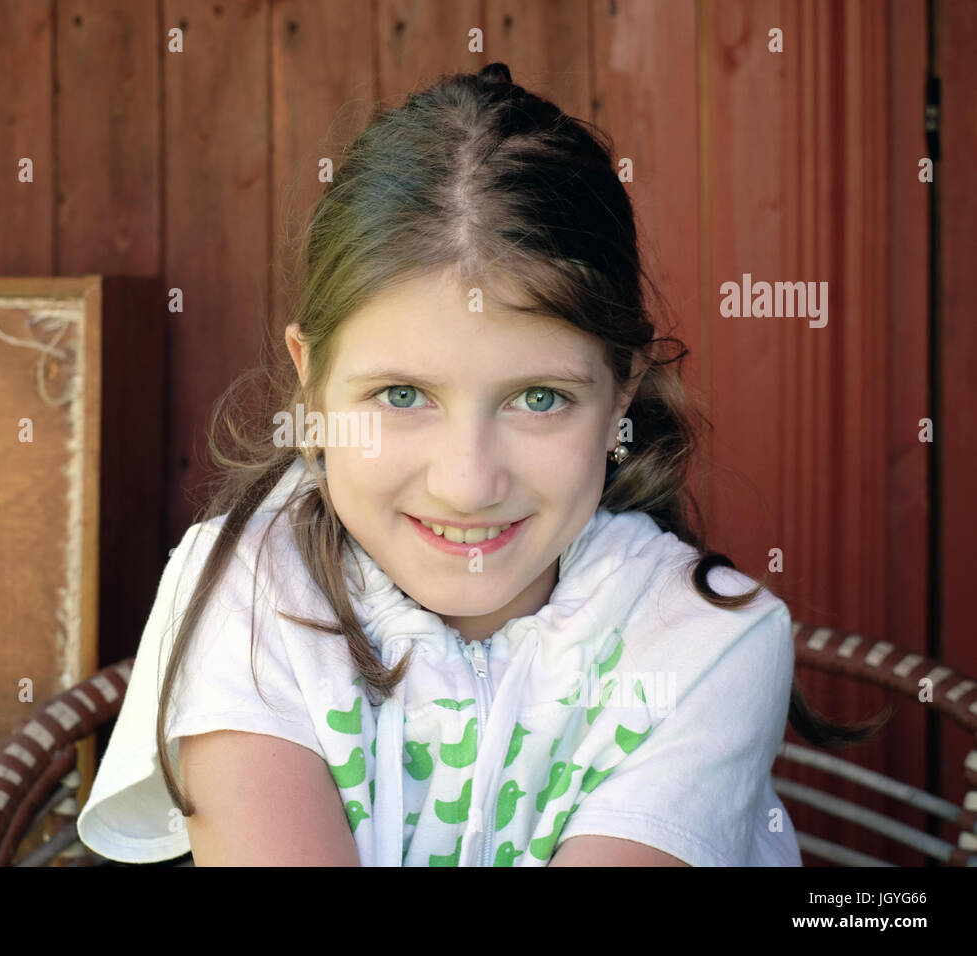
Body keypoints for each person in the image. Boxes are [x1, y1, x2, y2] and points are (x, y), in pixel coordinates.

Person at [75, 61, 888, 867]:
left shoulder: (712, 641)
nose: (467, 482)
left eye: (537, 399)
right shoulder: (246, 591)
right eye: (401, 395)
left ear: (620, 394)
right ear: (311, 381)